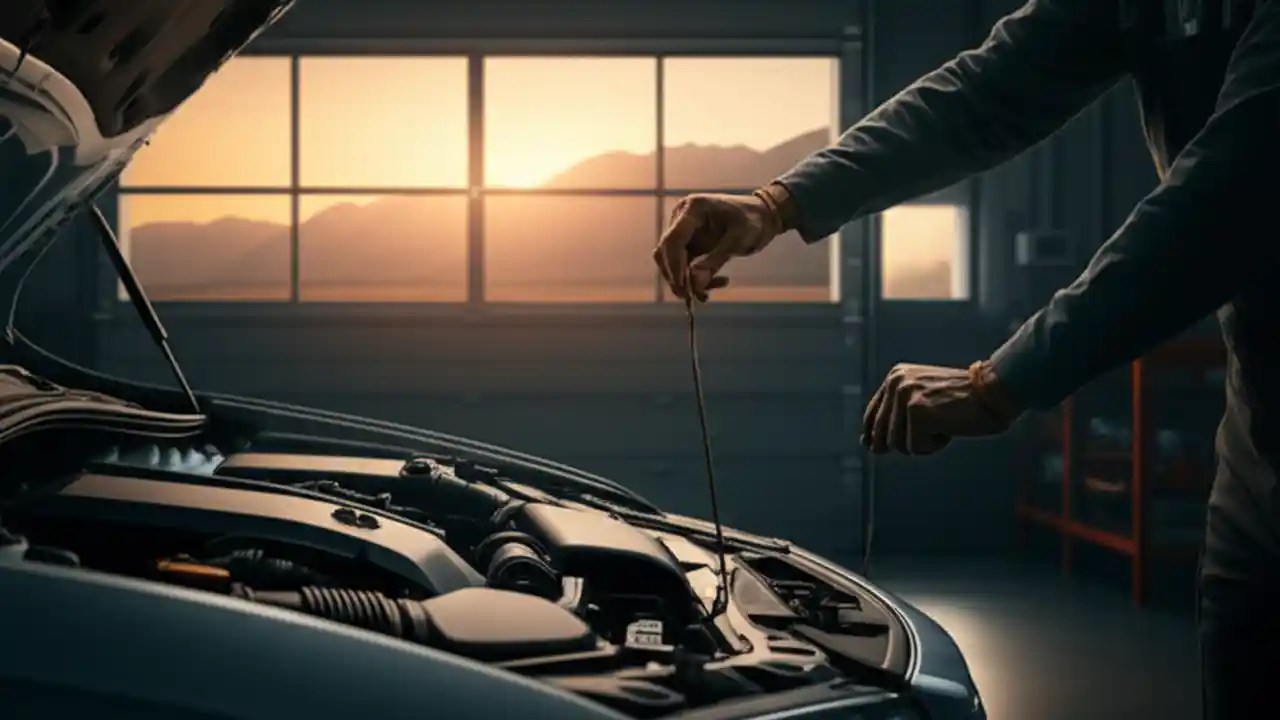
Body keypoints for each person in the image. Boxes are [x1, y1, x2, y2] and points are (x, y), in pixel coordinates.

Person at [653, 0, 1279, 717]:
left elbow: (1233, 192)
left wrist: (998, 384)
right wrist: (778, 202)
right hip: (1257, 446)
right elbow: (989, 91)